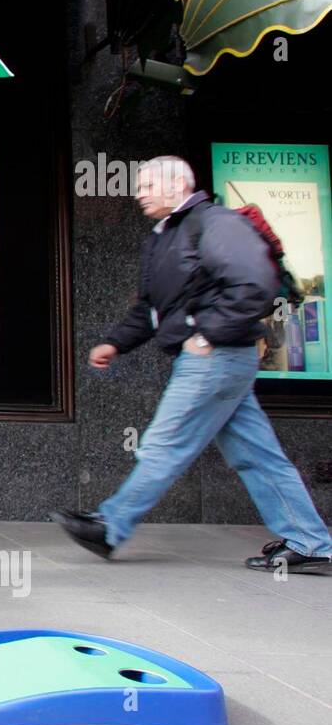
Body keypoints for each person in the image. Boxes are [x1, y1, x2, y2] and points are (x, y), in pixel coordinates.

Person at [51, 155, 331, 573]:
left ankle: (110, 525)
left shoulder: (215, 223)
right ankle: (311, 542)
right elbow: (152, 309)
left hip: (215, 357)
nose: (139, 193)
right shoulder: (165, 236)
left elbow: (254, 284)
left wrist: (206, 333)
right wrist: (115, 343)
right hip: (218, 358)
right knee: (258, 456)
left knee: (166, 442)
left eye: (148, 185)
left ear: (177, 185)